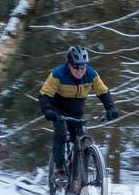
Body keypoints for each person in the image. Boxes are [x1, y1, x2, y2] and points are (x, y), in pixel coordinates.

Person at [39, 44, 118, 176]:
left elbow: (103, 92)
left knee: (80, 138)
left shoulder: (91, 74)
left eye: (83, 66)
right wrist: (47, 110)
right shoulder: (58, 74)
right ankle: (59, 169)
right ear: (69, 64)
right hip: (58, 109)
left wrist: (111, 108)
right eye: (76, 66)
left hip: (76, 111)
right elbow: (44, 94)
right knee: (61, 134)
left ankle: (76, 173)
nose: (80, 70)